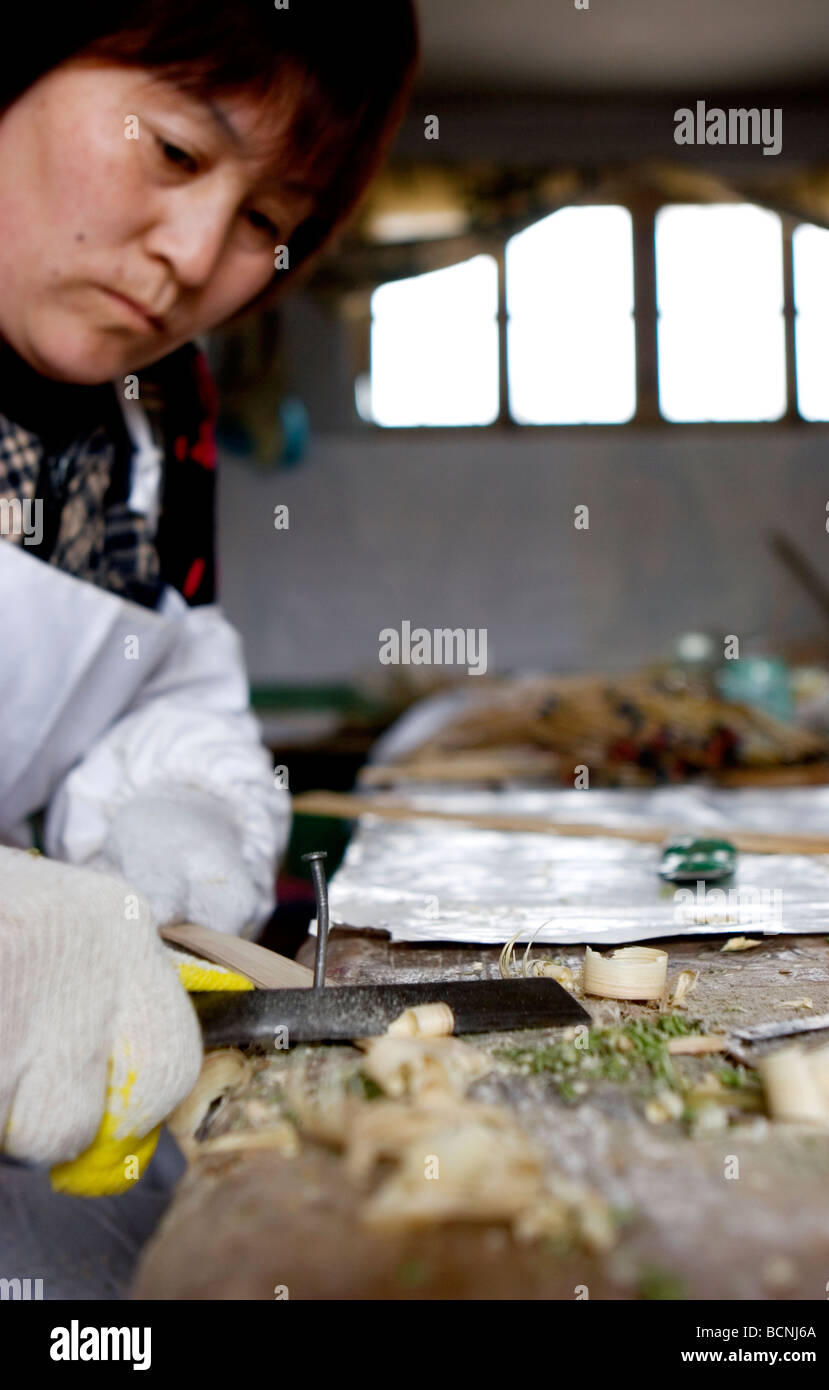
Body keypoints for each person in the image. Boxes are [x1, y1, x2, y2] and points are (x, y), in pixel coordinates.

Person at [0, 0, 418, 1296]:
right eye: (176, 153)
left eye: (264, 222)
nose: (193, 255)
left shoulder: (153, 407)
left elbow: (154, 687)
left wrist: (170, 812)